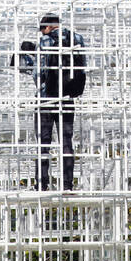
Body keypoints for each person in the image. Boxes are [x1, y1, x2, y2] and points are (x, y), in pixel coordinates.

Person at [33, 13, 87, 191]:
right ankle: (67, 184)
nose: (42, 33)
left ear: (48, 27)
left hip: (46, 98)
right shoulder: (77, 38)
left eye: (42, 29)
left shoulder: (45, 42)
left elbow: (38, 73)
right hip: (68, 97)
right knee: (66, 142)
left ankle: (42, 184)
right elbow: (82, 68)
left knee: (43, 142)